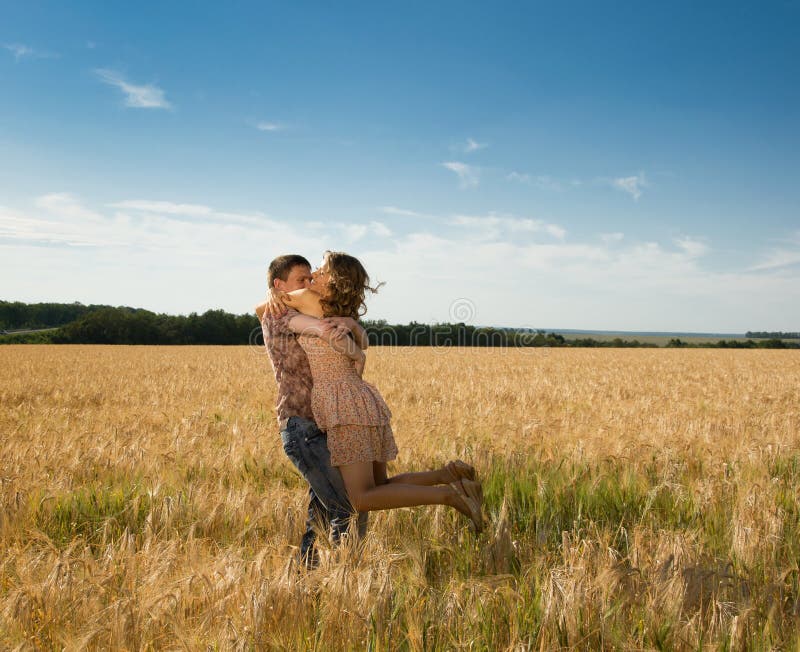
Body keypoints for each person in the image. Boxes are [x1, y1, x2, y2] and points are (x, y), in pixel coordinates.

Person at [275, 250, 484, 532]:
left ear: (336, 281)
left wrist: (273, 294)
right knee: (380, 486)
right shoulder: (339, 309)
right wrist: (355, 329)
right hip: (361, 400)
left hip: (344, 406)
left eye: (322, 271)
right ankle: (451, 476)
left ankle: (450, 495)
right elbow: (363, 343)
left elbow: (266, 306)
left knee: (361, 498)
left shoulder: (311, 301)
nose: (313, 276)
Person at [255, 254, 369, 569]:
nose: (308, 286)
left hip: (322, 424)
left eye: (310, 279)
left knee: (319, 514)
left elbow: (346, 331)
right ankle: (344, 579)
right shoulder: (280, 315)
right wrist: (355, 347)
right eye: (300, 281)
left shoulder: (290, 306)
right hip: (302, 427)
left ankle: (308, 578)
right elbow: (325, 330)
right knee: (347, 508)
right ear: (280, 286)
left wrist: (353, 326)